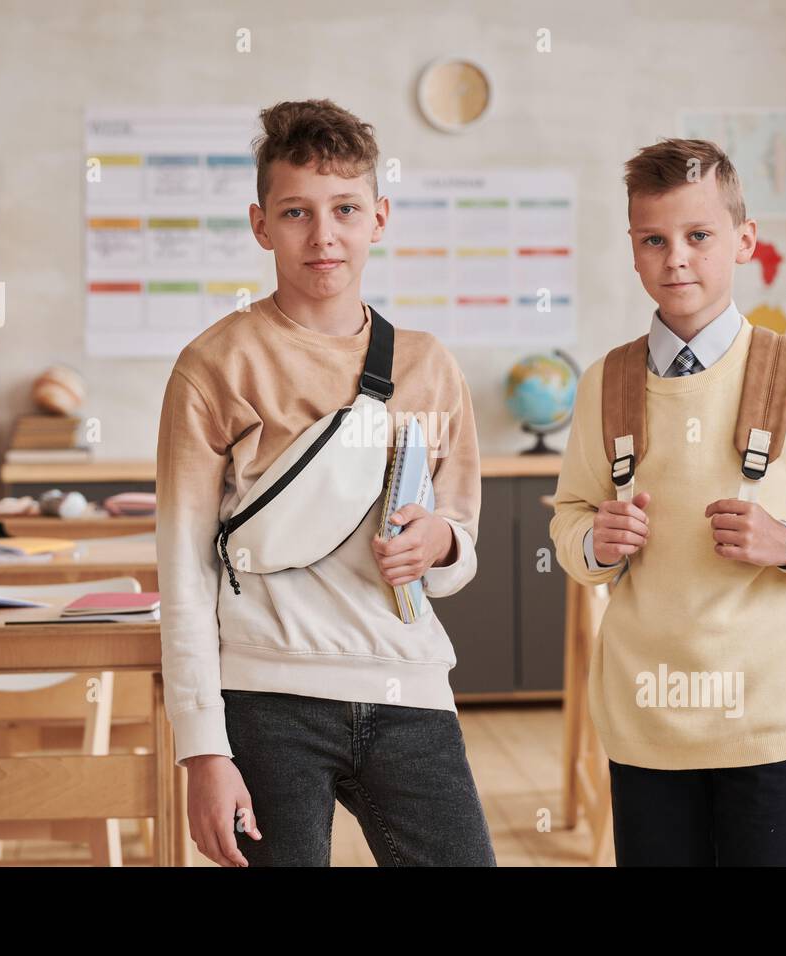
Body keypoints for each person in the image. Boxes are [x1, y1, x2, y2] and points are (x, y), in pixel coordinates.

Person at [156, 99, 495, 867]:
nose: (323, 235)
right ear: (260, 224)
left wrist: (441, 543)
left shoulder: (429, 366)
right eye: (296, 212)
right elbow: (183, 571)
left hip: (410, 690)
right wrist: (203, 751)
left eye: (344, 209)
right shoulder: (215, 365)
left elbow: (460, 542)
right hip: (266, 703)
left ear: (378, 217)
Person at [549, 137, 786, 866]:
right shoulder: (603, 385)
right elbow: (571, 526)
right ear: (635, 250)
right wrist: (593, 543)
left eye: (698, 235)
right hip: (647, 721)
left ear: (744, 241)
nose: (676, 257)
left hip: (771, 720)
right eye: (655, 239)